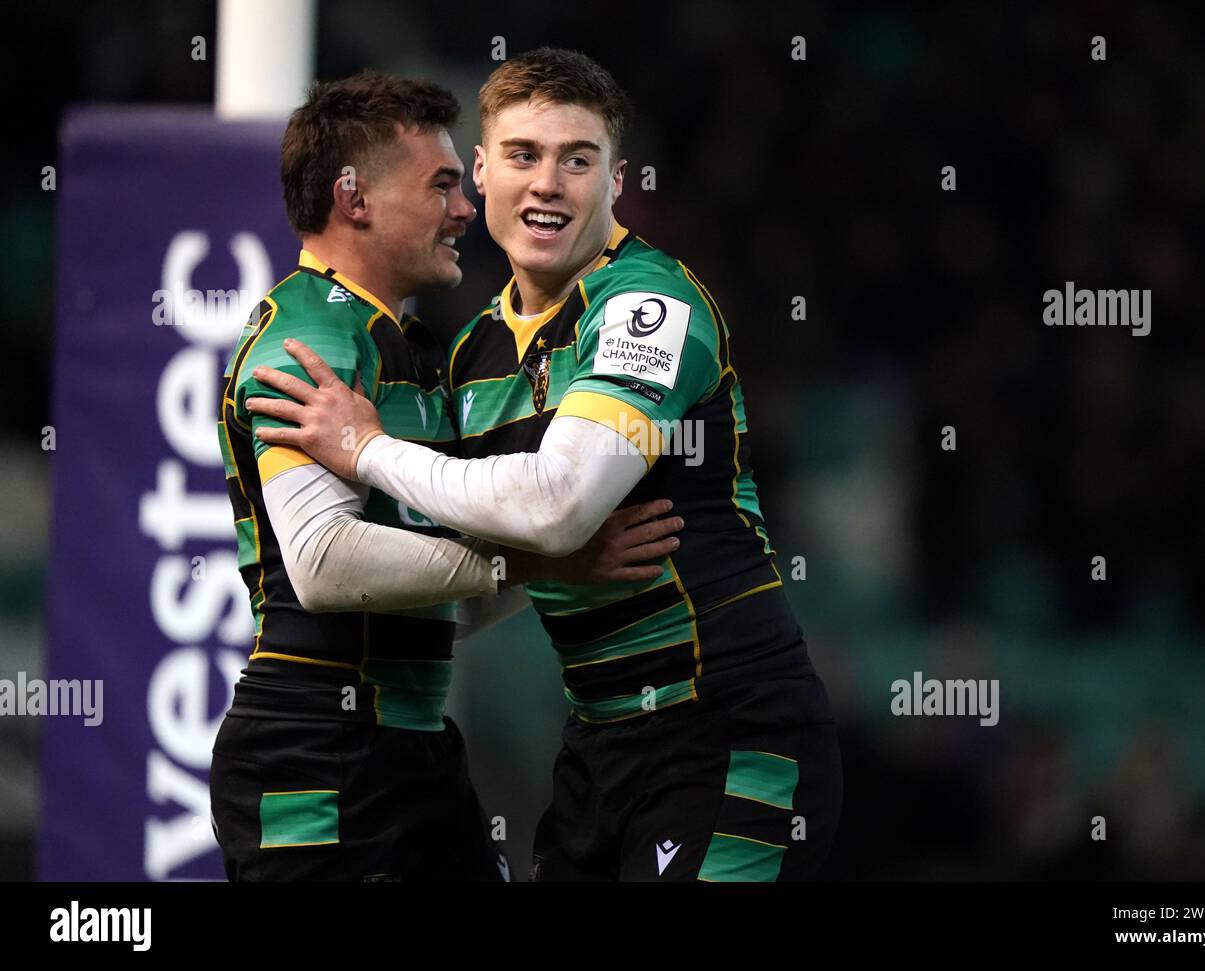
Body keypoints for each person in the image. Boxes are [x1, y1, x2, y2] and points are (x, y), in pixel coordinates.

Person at [247, 49, 841, 882]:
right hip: (596, 746)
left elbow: (559, 503)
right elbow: (456, 587)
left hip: (724, 726)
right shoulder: (465, 357)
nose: (548, 184)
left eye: (578, 159)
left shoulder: (650, 305)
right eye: (523, 156)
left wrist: (369, 450)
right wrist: (528, 561)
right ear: (482, 173)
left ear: (616, 180)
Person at [211, 70, 682, 881]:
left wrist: (549, 562)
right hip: (317, 753)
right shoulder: (310, 335)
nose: (466, 209)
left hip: (412, 748)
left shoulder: (412, 346)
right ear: (354, 198)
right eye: (440, 186)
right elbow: (322, 565)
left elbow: (434, 606)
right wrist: (532, 562)